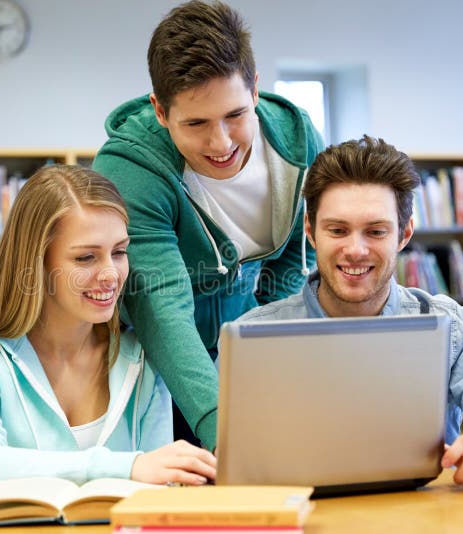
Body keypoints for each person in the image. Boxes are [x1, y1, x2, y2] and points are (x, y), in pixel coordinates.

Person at [237, 135, 463, 490]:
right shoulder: (253, 337)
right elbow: (232, 459)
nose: (355, 250)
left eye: (375, 231)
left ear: (404, 234)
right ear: (311, 232)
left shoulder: (455, 327)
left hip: (420, 512)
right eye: (338, 230)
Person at [92, 0, 322, 450]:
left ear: (255, 90)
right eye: (196, 123)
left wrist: (265, 346)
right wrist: (224, 430)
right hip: (157, 369)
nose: (221, 143)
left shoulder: (297, 142)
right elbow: (161, 307)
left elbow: (300, 251)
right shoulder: (131, 168)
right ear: (161, 111)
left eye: (235, 115)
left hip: (246, 353)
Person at [0, 165, 216, 497]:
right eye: (86, 258)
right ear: (36, 263)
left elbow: (157, 489)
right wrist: (125, 466)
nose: (111, 274)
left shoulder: (142, 357)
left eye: (119, 252)